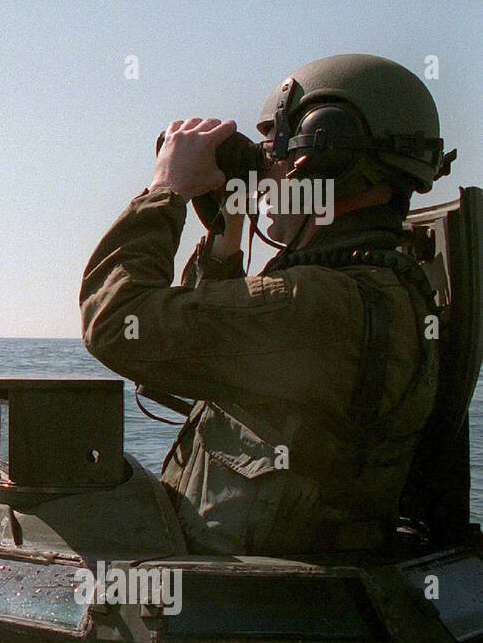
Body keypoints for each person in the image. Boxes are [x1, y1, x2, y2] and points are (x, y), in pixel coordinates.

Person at [80, 54, 454, 554]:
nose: (264, 175)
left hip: (234, 596)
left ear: (327, 156)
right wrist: (226, 233)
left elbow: (117, 321)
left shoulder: (319, 303)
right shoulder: (379, 287)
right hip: (273, 580)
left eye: (275, 152)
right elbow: (213, 344)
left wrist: (165, 190)